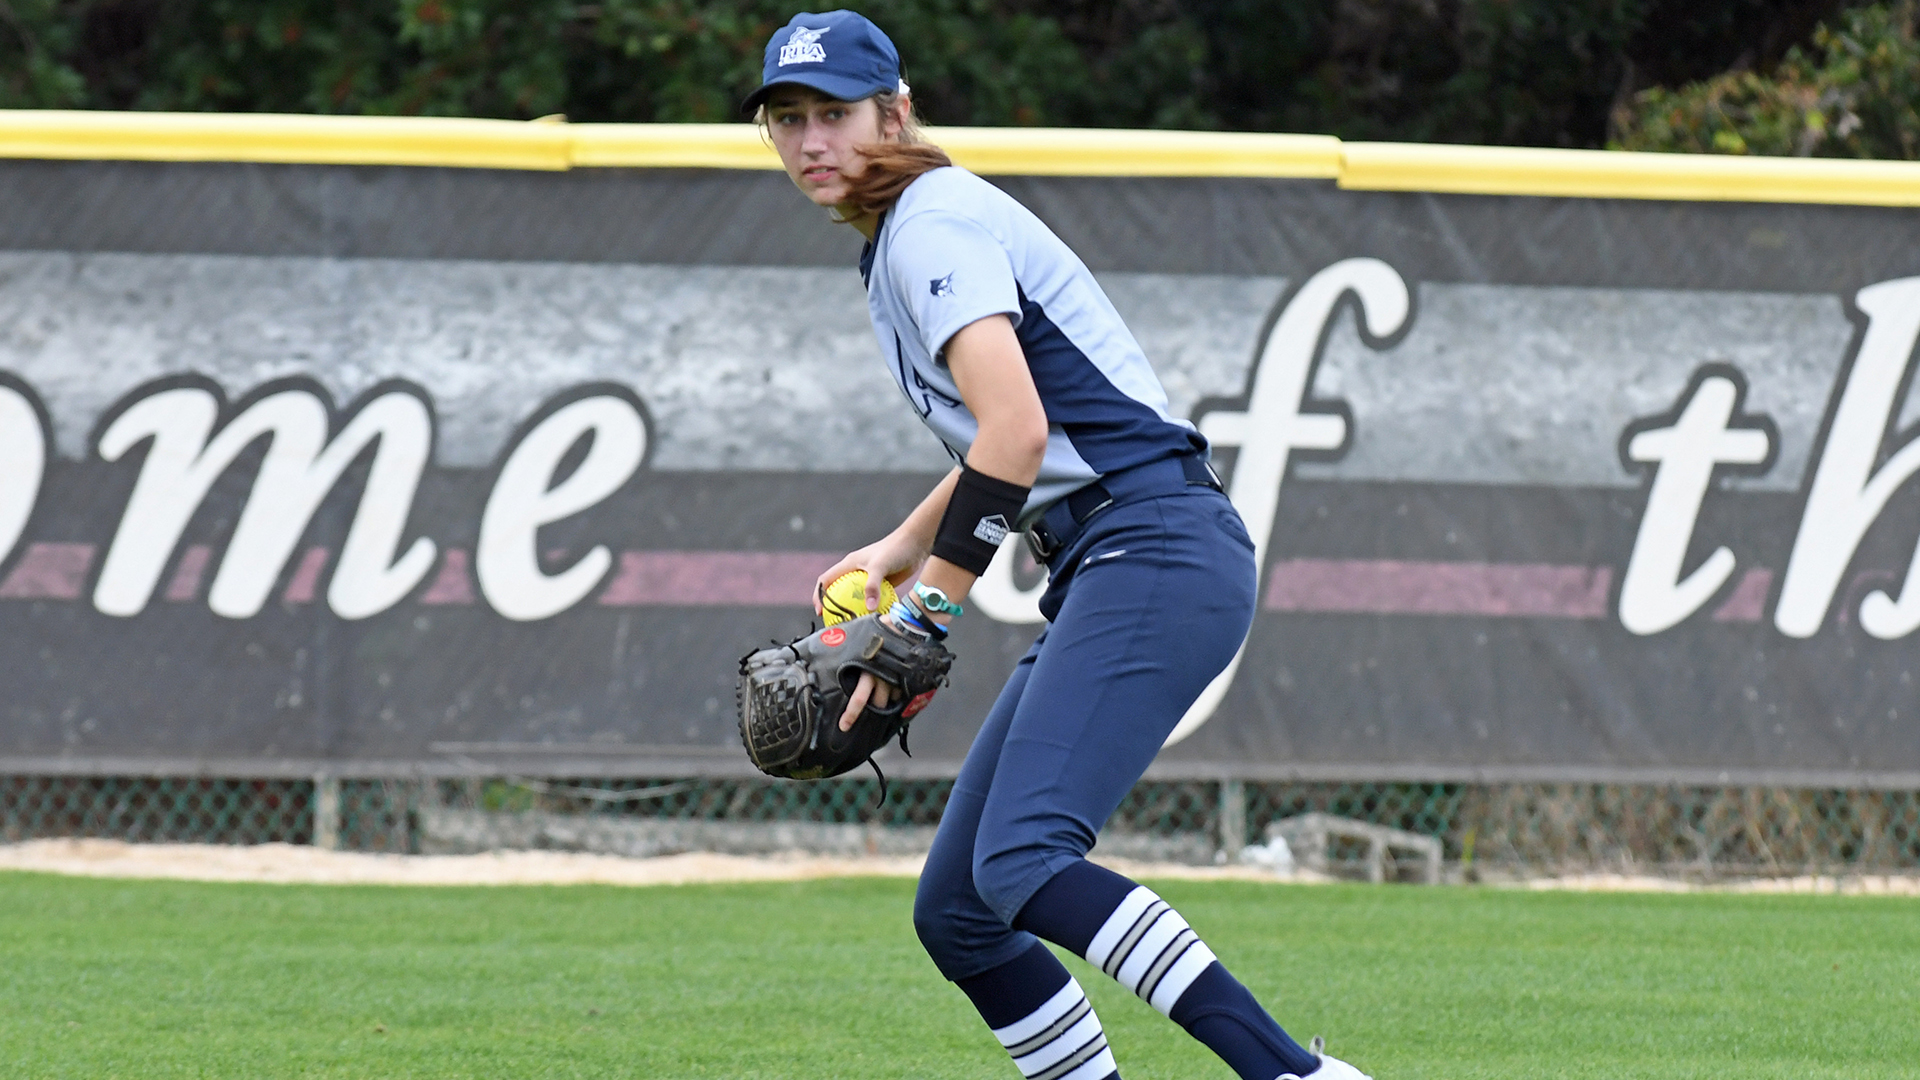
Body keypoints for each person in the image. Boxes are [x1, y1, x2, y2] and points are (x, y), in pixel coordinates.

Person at [745, 11, 1373, 1080]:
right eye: (787, 119)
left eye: (836, 114)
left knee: (1027, 859)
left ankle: (1298, 1077)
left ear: (895, 112)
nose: (812, 141)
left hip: (1155, 546)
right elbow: (1026, 417)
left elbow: (1020, 435)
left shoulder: (930, 226)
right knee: (961, 911)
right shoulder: (906, 232)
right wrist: (903, 545)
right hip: (1113, 556)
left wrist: (927, 608)